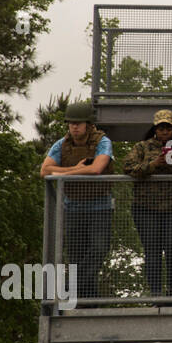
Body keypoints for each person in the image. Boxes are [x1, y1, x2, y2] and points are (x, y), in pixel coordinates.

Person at [123, 109, 172, 298]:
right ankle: (156, 293)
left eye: (168, 128)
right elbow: (128, 167)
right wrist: (153, 164)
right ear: (155, 129)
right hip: (146, 208)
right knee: (152, 250)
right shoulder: (142, 147)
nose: (164, 131)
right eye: (161, 128)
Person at [40, 100, 114, 299]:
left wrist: (63, 173)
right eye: (71, 123)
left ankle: (69, 286)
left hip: (99, 205)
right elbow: (44, 170)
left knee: (99, 249)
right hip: (72, 206)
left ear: (88, 124)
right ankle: (88, 302)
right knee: (75, 256)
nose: (74, 127)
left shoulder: (102, 142)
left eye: (78, 123)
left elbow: (96, 169)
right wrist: (77, 169)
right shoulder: (61, 144)